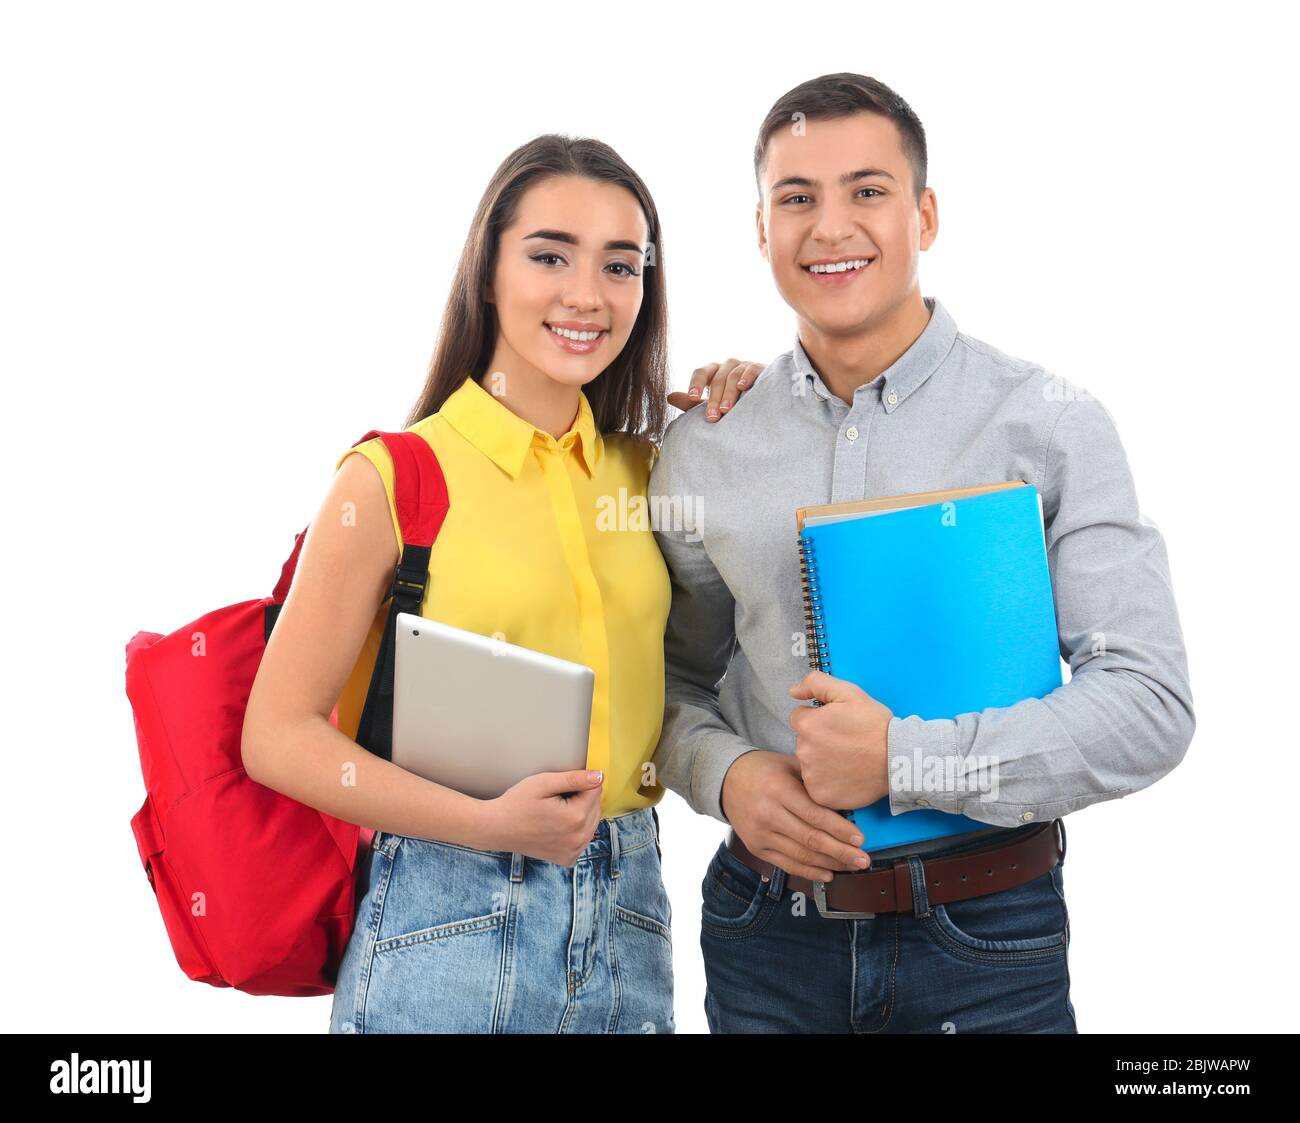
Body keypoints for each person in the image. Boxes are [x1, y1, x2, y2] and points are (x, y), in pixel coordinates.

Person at [649, 72, 1196, 1033]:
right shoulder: (706, 445)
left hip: (989, 943)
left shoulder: (1049, 424)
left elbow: (1148, 704)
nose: (830, 228)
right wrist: (726, 773)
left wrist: (908, 760)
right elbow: (668, 682)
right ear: (760, 229)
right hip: (764, 935)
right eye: (796, 198)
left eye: (867, 191)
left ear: (925, 213)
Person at [241, 133, 753, 1034]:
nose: (587, 294)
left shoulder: (653, 473)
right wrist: (487, 827)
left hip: (630, 907)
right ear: (487, 271)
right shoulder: (393, 478)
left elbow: (721, 654)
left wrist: (754, 408)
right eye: (550, 254)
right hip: (446, 916)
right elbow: (275, 737)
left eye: (620, 265)